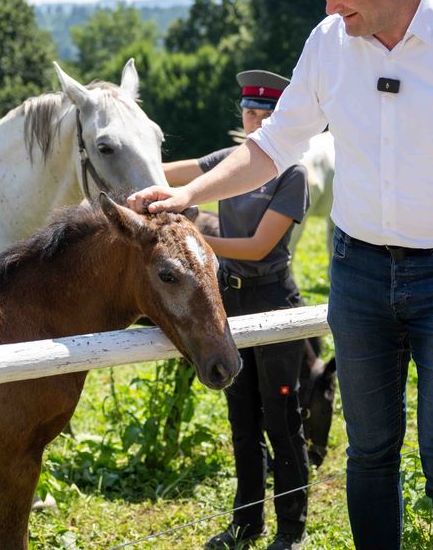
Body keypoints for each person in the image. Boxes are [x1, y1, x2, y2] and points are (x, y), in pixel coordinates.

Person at [129, 0, 433, 550]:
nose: (330, 9)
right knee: (370, 452)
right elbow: (269, 148)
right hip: (360, 273)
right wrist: (187, 194)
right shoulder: (330, 43)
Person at [163, 70, 310, 550]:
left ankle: (290, 531)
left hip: (273, 302)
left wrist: (192, 239)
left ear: (280, 118)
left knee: (281, 420)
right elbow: (167, 173)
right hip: (230, 303)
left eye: (266, 115)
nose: (256, 121)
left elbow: (257, 246)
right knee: (242, 421)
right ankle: (246, 526)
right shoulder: (227, 161)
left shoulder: (293, 174)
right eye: (250, 112)